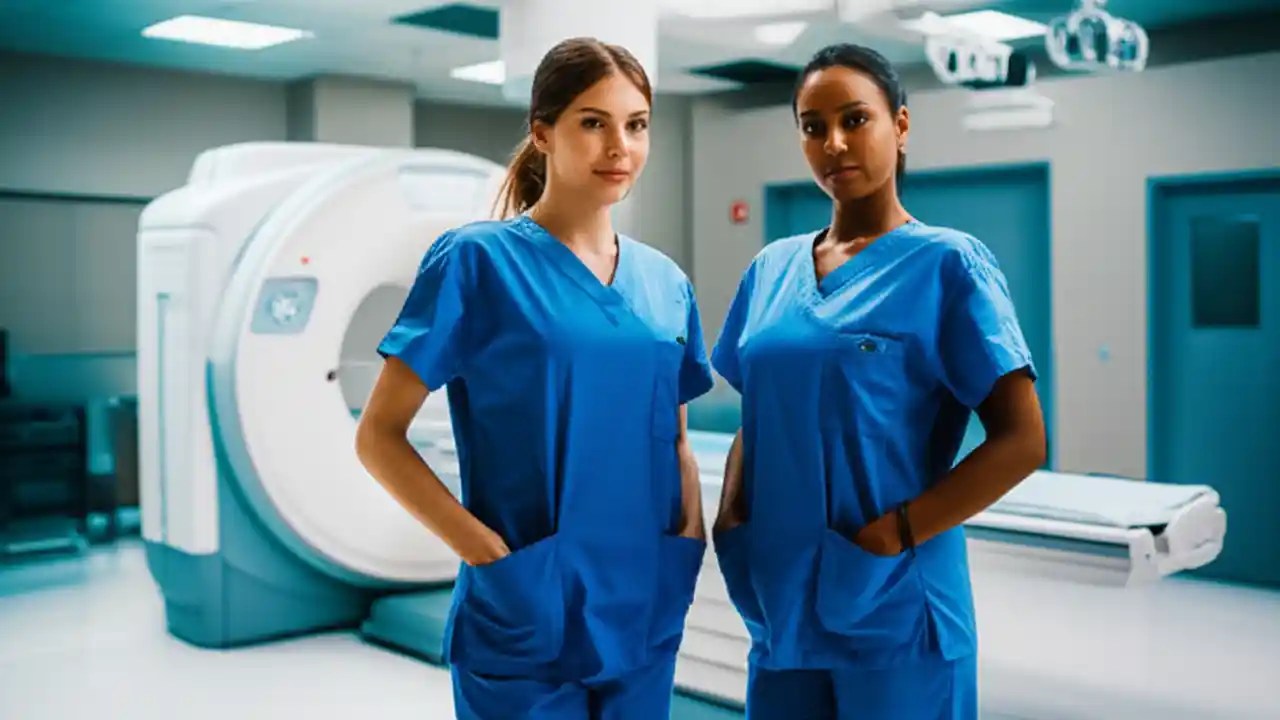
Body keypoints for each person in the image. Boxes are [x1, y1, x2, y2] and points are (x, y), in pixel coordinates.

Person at [355, 37, 715, 720]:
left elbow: (675, 442)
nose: (620, 146)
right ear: (543, 132)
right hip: (526, 607)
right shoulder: (476, 262)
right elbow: (379, 436)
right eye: (593, 122)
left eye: (636, 125)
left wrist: (688, 543)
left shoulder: (665, 282)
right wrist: (486, 555)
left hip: (644, 600)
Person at [709, 43, 1047, 719]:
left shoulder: (948, 264)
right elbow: (758, 412)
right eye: (813, 127)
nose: (833, 143)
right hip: (781, 604)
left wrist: (895, 534)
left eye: (855, 119)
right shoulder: (772, 269)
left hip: (895, 604)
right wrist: (732, 516)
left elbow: (1022, 440)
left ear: (901, 124)